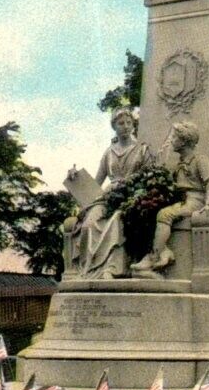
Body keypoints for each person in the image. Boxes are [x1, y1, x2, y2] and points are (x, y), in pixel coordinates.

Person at [64, 107, 152, 278]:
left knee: (116, 220)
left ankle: (112, 269)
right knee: (88, 224)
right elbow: (97, 181)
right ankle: (90, 270)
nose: (125, 126)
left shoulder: (142, 149)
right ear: (114, 127)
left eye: (129, 123)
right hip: (108, 196)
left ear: (133, 125)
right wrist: (75, 177)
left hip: (132, 197)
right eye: (121, 123)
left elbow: (148, 177)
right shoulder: (109, 152)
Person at [131, 120, 209, 273]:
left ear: (184, 141)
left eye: (175, 137)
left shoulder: (199, 160)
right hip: (182, 199)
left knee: (165, 214)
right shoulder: (179, 162)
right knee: (148, 210)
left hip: (195, 200)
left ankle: (154, 257)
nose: (171, 140)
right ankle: (164, 251)